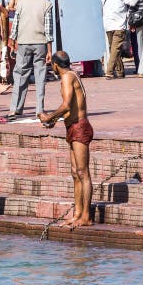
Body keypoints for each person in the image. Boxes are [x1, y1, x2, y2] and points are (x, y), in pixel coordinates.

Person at [38, 51, 93, 229]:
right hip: (73, 126)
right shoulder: (73, 74)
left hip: (80, 127)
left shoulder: (67, 77)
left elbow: (67, 104)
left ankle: (86, 216)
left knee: (83, 172)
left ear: (55, 65)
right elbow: (71, 109)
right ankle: (77, 214)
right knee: (75, 172)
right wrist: (55, 120)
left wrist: (49, 117)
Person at [8, 0, 53, 119]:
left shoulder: (21, 2)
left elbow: (15, 23)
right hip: (40, 43)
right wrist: (50, 50)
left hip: (23, 43)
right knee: (40, 76)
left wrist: (12, 40)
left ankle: (14, 109)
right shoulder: (47, 4)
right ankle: (39, 109)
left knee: (20, 75)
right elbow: (48, 30)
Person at [102, 0, 139, 79]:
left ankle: (120, 71)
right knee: (115, 49)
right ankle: (109, 71)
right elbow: (132, 2)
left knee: (113, 48)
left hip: (108, 24)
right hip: (119, 25)